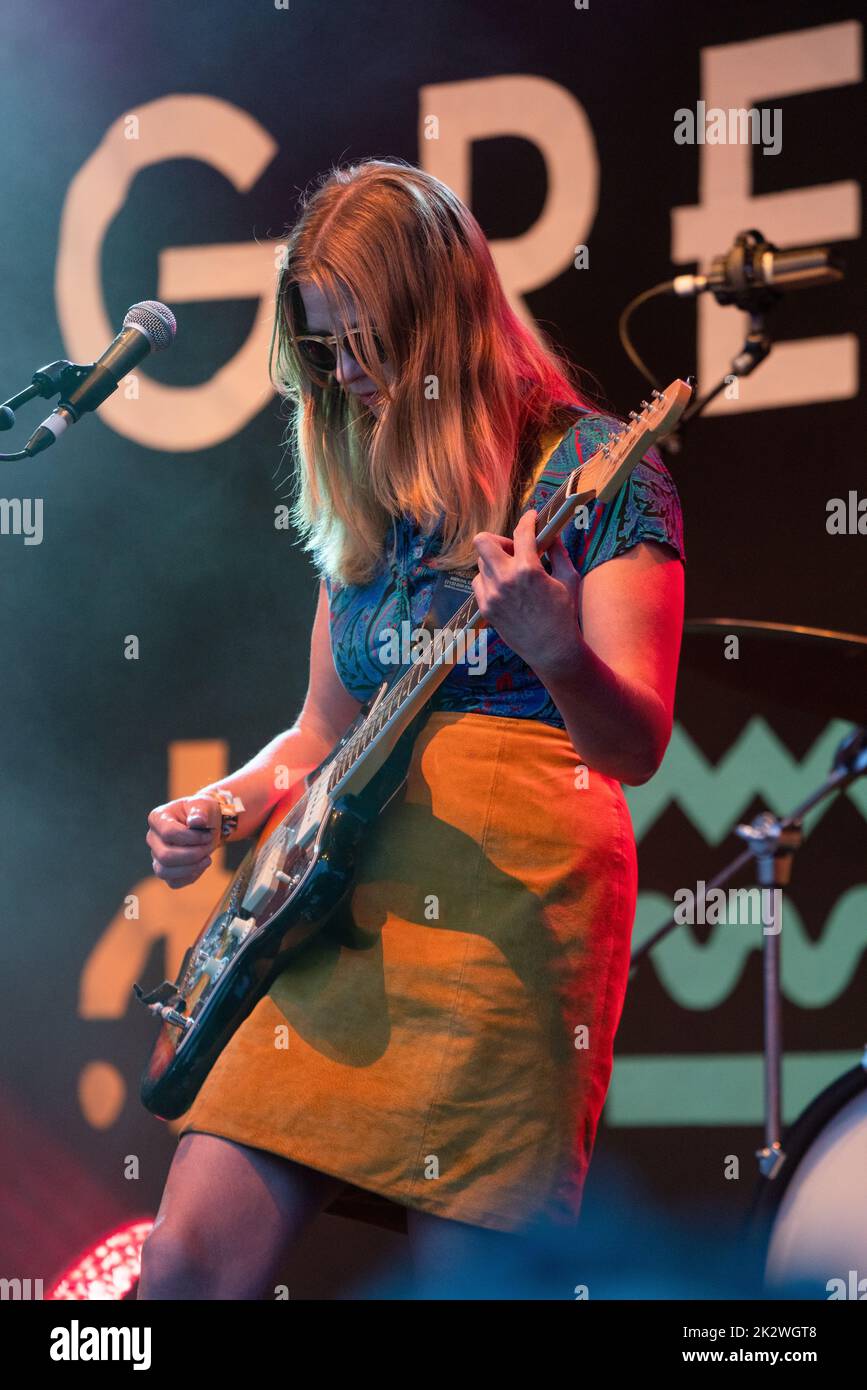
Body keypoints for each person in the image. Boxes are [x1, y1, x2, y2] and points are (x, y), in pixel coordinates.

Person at [138, 157, 684, 1300]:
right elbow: (316, 735)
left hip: (515, 911)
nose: (342, 375)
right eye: (322, 347)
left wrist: (556, 647)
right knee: (182, 1264)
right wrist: (225, 804)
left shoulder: (599, 471)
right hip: (338, 911)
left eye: (360, 342)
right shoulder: (370, 484)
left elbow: (634, 747)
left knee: (476, 1287)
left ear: (437, 320)